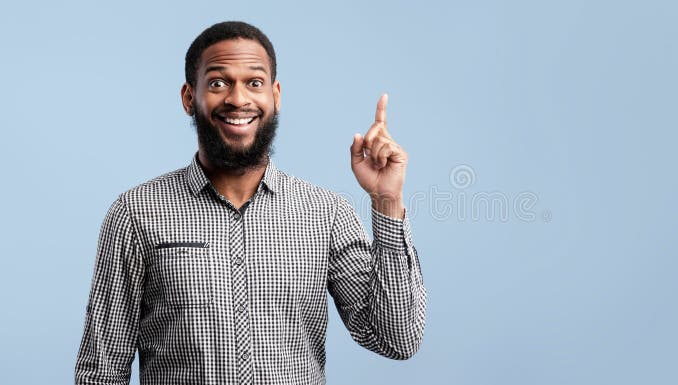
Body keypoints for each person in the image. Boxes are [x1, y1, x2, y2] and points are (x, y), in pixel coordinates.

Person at [75, 21, 426, 385]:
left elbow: (396, 339)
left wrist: (387, 201)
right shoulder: (135, 213)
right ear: (188, 98)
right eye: (217, 83)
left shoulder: (327, 213)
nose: (238, 99)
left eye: (254, 83)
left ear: (275, 95)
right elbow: (101, 371)